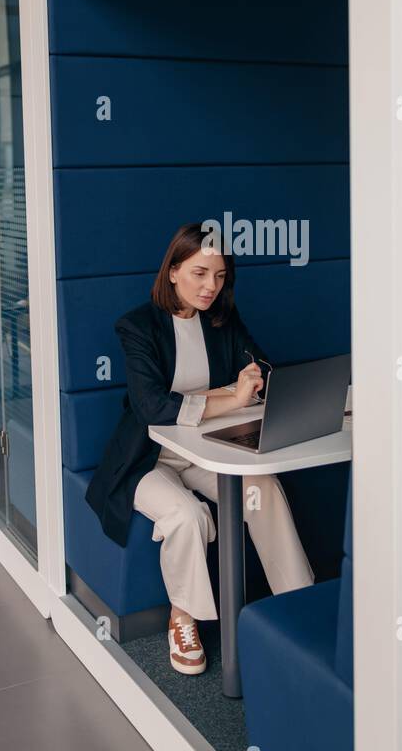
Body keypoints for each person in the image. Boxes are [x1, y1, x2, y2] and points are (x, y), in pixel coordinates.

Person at [85, 221, 314, 674]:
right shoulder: (137, 327)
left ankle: (298, 603)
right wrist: (229, 396)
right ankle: (182, 617)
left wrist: (254, 379)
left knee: (261, 487)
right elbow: (152, 407)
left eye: (220, 276)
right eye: (199, 274)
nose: (211, 286)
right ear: (172, 272)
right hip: (146, 458)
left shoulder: (221, 321)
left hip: (205, 449)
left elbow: (263, 366)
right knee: (188, 516)